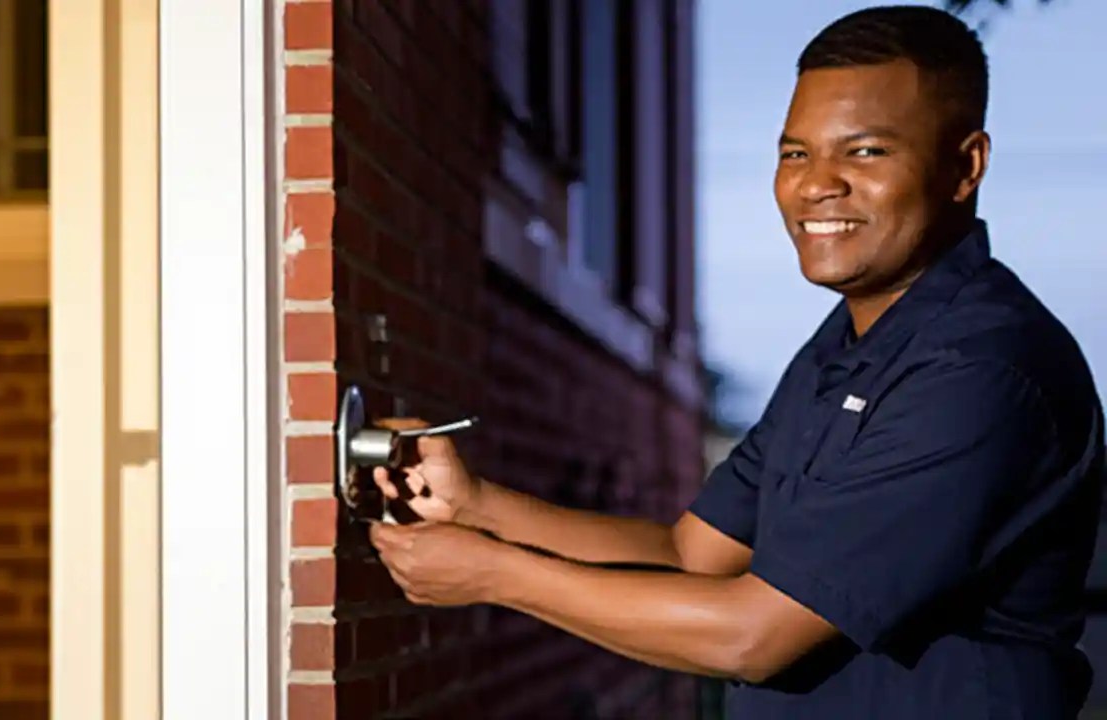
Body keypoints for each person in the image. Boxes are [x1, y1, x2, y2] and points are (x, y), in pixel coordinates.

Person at [367, 5, 1106, 718]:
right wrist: (477, 507)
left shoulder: (980, 372)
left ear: (964, 166)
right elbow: (690, 553)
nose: (817, 184)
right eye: (795, 153)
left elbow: (752, 636)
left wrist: (493, 573)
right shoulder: (843, 349)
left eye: (866, 151)